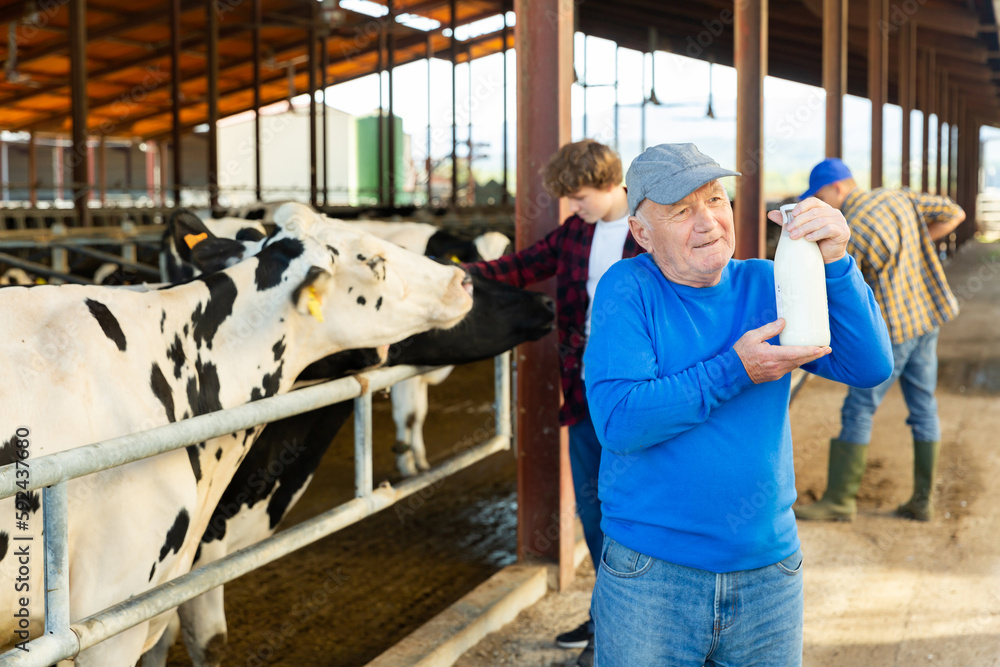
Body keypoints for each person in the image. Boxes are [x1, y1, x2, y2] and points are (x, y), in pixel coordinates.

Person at [582, 143, 894, 666]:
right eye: (681, 211)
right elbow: (620, 421)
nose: (707, 222)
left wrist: (837, 260)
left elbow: (867, 366)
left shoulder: (766, 281)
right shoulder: (628, 288)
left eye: (716, 199)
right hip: (652, 574)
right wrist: (736, 369)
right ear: (641, 234)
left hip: (768, 573)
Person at [465, 139, 642, 666]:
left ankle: (633, 625)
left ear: (611, 183)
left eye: (581, 195)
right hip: (584, 391)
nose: (574, 206)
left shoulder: (649, 229)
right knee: (593, 509)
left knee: (633, 509)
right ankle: (606, 616)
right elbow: (522, 266)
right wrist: (458, 274)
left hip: (638, 392)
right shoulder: (576, 233)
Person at [793, 157, 965, 522]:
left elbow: (843, 286)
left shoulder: (852, 228)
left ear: (836, 187)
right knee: (924, 407)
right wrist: (921, 241)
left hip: (894, 327)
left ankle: (839, 500)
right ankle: (923, 501)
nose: (820, 204)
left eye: (820, 195)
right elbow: (954, 213)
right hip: (927, 317)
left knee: (859, 409)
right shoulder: (899, 197)